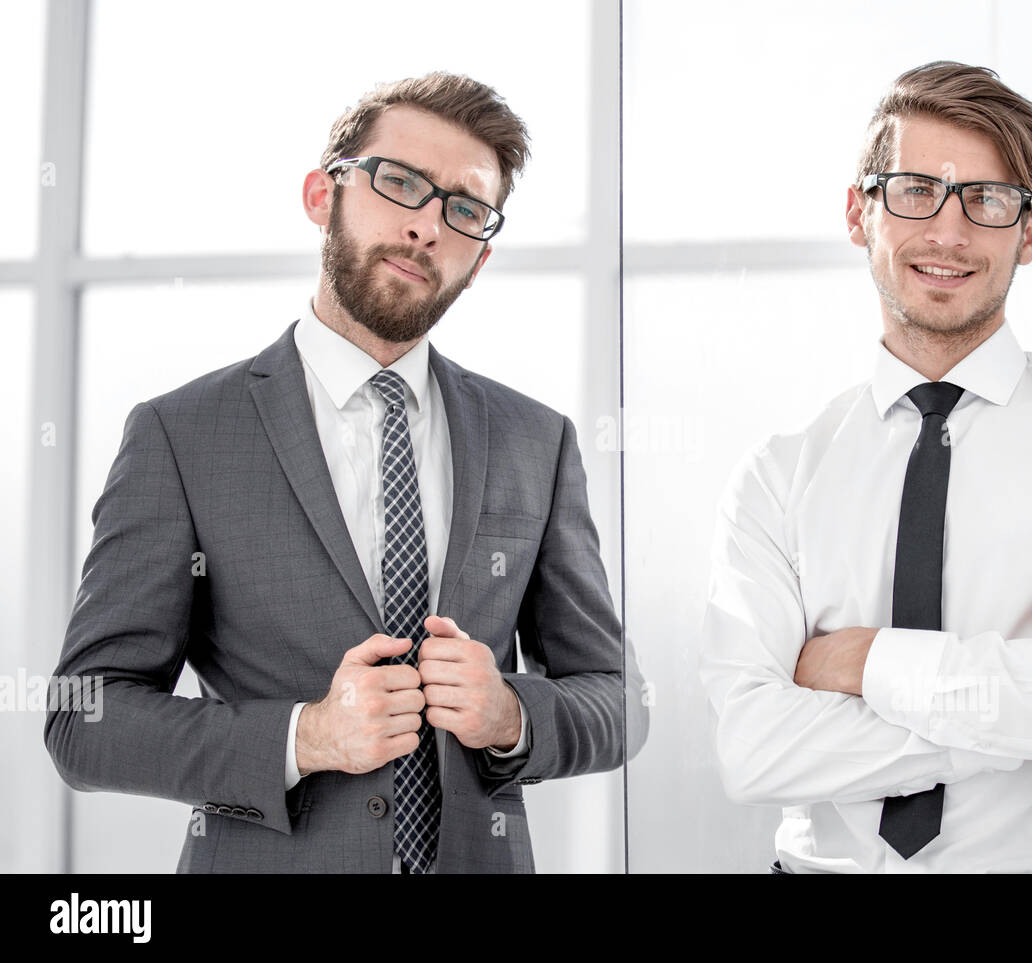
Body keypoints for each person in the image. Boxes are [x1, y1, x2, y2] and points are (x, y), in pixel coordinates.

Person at [45, 71, 633, 874]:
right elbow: (84, 719)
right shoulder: (180, 435)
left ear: (481, 256)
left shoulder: (538, 440)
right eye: (400, 183)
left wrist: (510, 712)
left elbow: (617, 698)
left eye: (463, 208)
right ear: (323, 194)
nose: (428, 226)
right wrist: (305, 735)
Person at [699, 61, 1032, 873]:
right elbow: (754, 752)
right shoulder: (776, 475)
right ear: (860, 213)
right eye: (915, 189)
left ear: (1030, 231)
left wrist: (862, 663)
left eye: (988, 200)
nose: (948, 233)